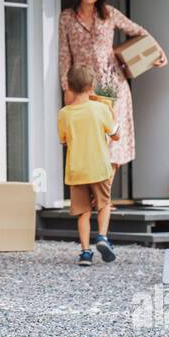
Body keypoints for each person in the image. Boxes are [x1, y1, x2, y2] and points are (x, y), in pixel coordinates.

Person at [57, 0, 166, 184]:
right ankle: (90, 192)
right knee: (89, 137)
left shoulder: (109, 13)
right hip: (83, 84)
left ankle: (104, 196)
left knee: (113, 137)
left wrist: (158, 52)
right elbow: (64, 54)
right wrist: (66, 87)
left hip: (111, 82)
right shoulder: (67, 17)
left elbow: (140, 32)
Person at [58, 64, 120, 266]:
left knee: (83, 212)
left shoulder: (64, 113)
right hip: (99, 167)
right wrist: (114, 116)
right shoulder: (101, 108)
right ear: (92, 85)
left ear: (69, 87)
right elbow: (116, 135)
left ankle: (85, 253)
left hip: (77, 170)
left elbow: (64, 140)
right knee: (104, 205)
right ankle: (102, 237)